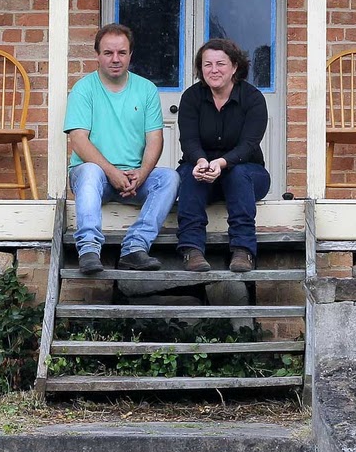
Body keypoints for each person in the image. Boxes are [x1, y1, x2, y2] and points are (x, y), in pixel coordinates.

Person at [64, 23, 178, 273]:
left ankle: (135, 248)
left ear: (130, 55)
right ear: (97, 55)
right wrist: (112, 173)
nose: (115, 59)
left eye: (121, 53)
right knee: (91, 170)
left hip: (133, 179)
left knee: (169, 177)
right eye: (108, 53)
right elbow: (79, 140)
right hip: (95, 178)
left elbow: (155, 139)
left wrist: (143, 174)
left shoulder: (146, 89)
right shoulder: (84, 89)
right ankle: (89, 249)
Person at [175, 37, 270, 274]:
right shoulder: (191, 97)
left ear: (235, 67)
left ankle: (243, 249)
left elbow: (249, 144)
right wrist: (201, 161)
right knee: (189, 174)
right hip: (203, 172)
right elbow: (188, 140)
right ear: (200, 69)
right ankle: (192, 249)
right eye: (207, 64)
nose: (214, 70)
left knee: (237, 173)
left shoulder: (253, 98)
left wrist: (221, 162)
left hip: (247, 174)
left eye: (221, 64)